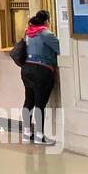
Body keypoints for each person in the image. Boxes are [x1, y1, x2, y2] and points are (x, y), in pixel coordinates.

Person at [20, 10, 60, 145]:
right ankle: (39, 135)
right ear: (47, 20)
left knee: (29, 101)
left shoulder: (28, 33)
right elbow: (61, 48)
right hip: (42, 70)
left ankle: (26, 133)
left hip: (26, 69)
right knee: (39, 103)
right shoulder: (46, 34)